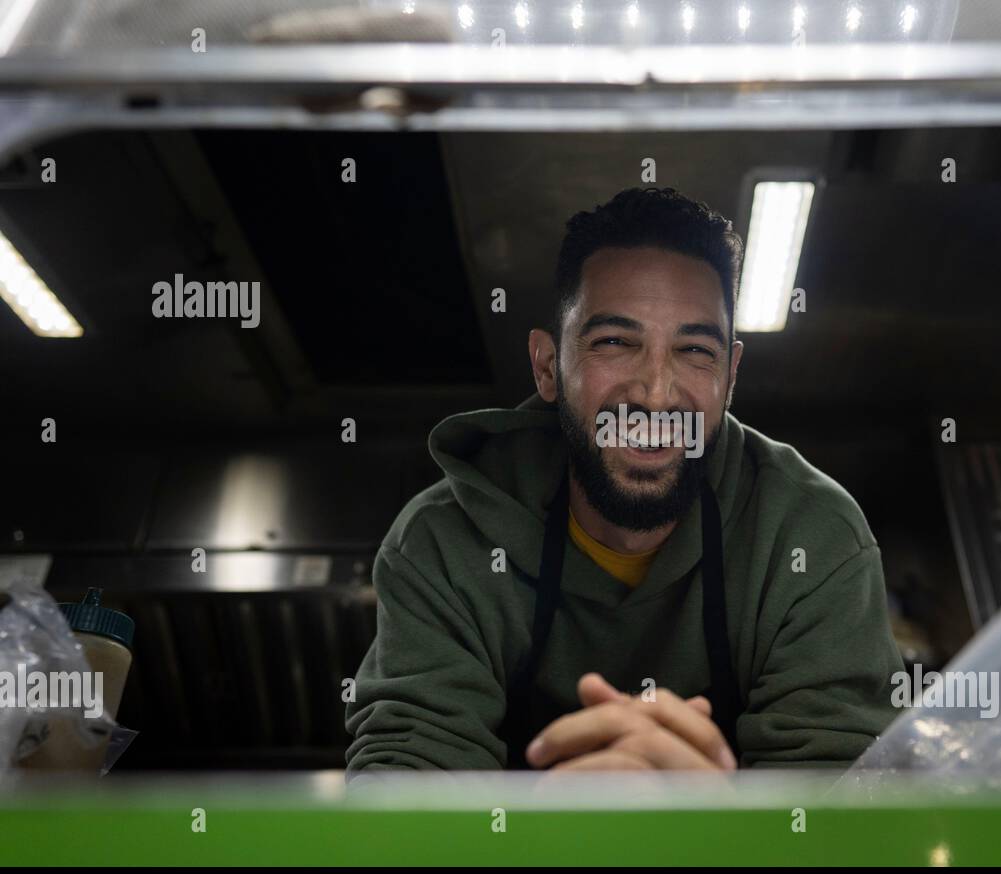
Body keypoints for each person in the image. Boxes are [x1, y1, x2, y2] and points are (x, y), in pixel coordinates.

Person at [345, 187, 902, 773]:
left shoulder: (813, 537)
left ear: (731, 375)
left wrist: (717, 835)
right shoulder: (442, 544)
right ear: (547, 366)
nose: (655, 394)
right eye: (614, 342)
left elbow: (843, 799)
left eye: (694, 350)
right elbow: (406, 787)